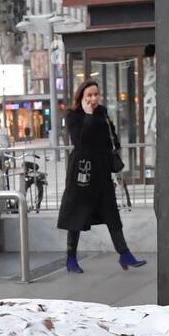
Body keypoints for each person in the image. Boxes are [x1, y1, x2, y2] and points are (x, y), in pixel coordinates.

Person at [57, 80, 146, 274]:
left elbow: (110, 137)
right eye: (89, 95)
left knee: (111, 213)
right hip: (82, 172)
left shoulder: (103, 112)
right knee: (77, 214)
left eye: (96, 94)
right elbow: (80, 142)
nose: (93, 99)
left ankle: (124, 253)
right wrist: (88, 117)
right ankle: (71, 258)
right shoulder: (73, 116)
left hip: (102, 171)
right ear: (81, 96)